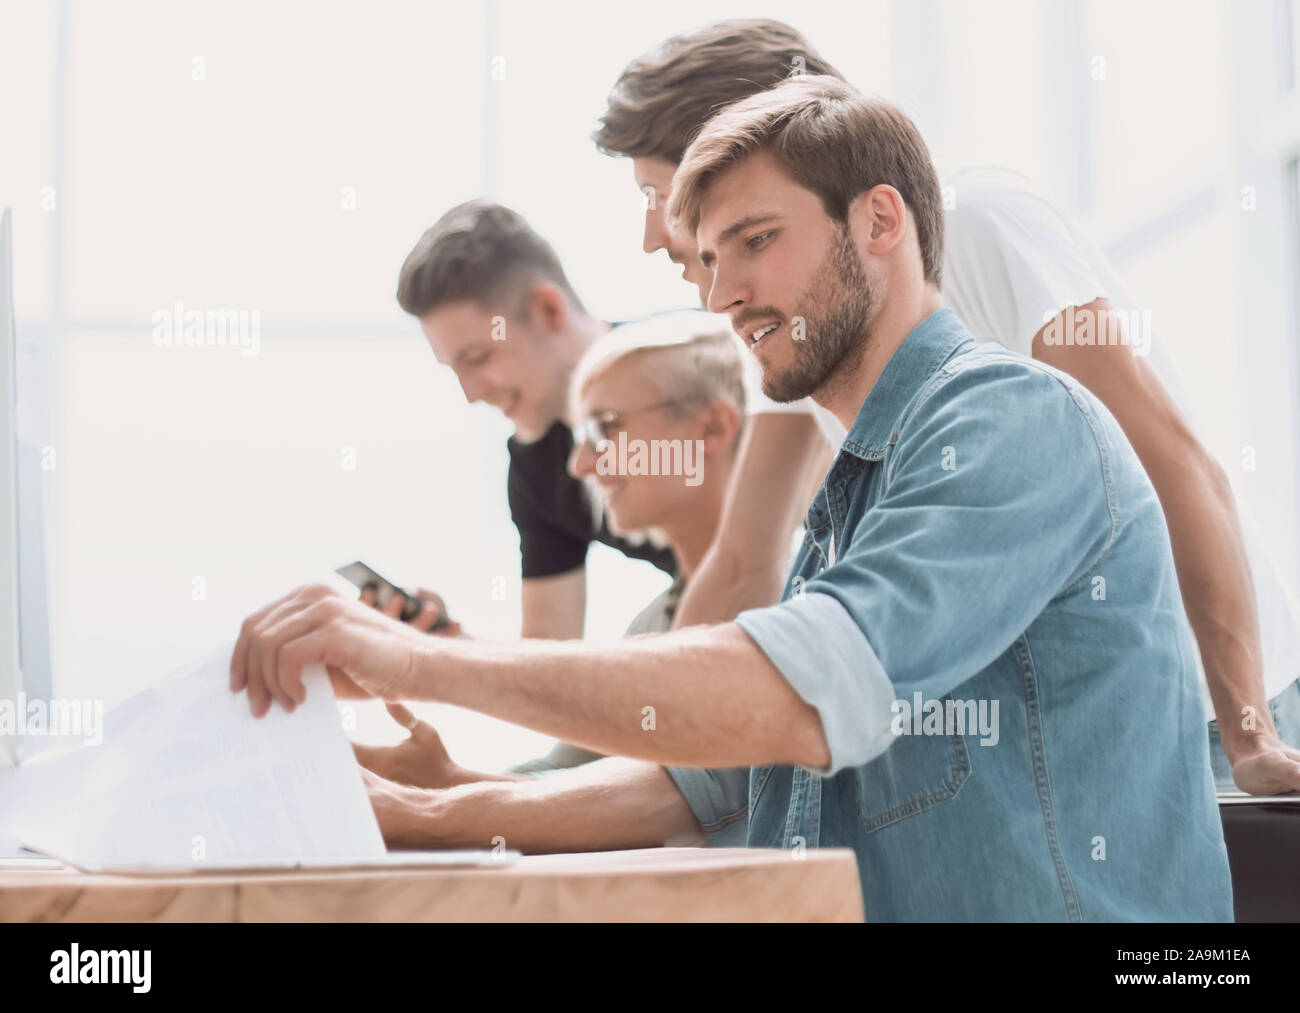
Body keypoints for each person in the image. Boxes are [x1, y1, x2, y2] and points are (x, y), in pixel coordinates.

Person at [230, 76, 1233, 921]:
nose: (721, 294)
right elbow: (715, 779)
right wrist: (432, 805)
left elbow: (792, 694)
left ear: (880, 219)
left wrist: (417, 657)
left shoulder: (1008, 422)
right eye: (708, 259)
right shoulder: (852, 501)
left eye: (755, 239)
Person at [592, 17, 1300, 794]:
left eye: (660, 194)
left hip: (1214, 709)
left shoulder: (981, 221)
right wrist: (625, 775)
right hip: (1075, 738)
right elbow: (741, 563)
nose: (653, 235)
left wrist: (1248, 731)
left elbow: (1177, 468)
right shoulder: (807, 322)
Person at [356, 315, 752, 833]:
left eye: (607, 428)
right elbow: (574, 778)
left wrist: (426, 804)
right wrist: (439, 779)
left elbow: (683, 799)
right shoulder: (655, 624)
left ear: (711, 428)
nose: (580, 463)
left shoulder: (792, 595)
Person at [392, 201, 828, 641]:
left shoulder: (718, 361)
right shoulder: (538, 463)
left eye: (479, 358)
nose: (471, 394)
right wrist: (445, 653)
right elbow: (549, 662)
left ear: (548, 309)